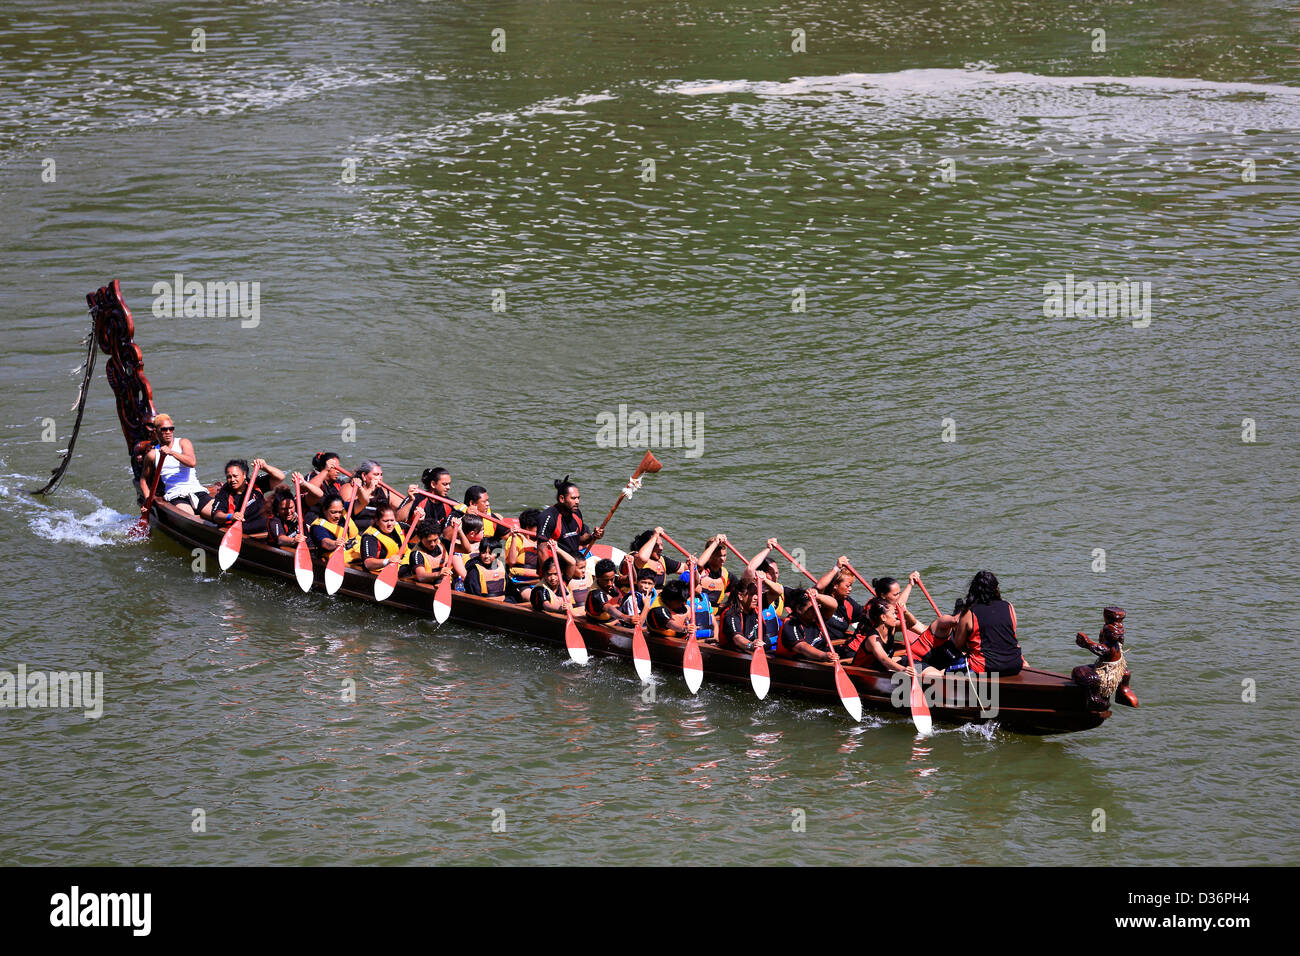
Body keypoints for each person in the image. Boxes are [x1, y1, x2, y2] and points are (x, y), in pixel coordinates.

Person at [943, 571, 1025, 677]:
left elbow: (959, 644)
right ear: (996, 588)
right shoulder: (1009, 606)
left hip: (986, 668)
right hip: (1015, 664)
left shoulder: (969, 613)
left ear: (973, 590)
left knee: (946, 670)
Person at [138, 414, 210, 514]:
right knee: (189, 517)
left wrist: (171, 452)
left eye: (171, 429)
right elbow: (143, 479)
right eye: (164, 429)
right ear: (156, 431)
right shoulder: (152, 455)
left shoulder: (183, 442)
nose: (168, 432)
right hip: (175, 495)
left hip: (196, 490)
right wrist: (148, 499)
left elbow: (192, 462)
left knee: (216, 514)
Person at [535, 476, 603, 580]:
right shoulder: (548, 517)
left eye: (578, 498)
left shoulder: (576, 513)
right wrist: (551, 576)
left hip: (572, 567)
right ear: (562, 499)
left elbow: (581, 539)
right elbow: (542, 550)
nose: (577, 502)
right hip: (555, 571)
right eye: (573, 498)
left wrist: (593, 536)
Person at [775, 589, 840, 663]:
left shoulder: (817, 617)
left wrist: (817, 596)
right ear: (799, 609)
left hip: (821, 659)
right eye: (813, 608)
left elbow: (834, 605)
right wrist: (824, 655)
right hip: (799, 663)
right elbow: (801, 647)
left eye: (818, 607)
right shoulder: (790, 624)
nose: (817, 611)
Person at [207, 459, 267, 534]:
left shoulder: (255, 484)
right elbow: (216, 516)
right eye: (229, 477)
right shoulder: (224, 493)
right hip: (244, 532)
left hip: (266, 529)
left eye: (235, 476)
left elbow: (280, 477)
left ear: (244, 475)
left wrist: (265, 467)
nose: (232, 480)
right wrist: (231, 516)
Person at [356, 505, 411, 572]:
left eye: (392, 520)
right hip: (381, 571)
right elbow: (368, 563)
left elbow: (420, 536)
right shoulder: (370, 537)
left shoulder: (399, 527)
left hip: (404, 565)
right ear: (377, 521)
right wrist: (388, 561)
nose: (390, 524)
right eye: (385, 521)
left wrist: (419, 522)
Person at [719, 572, 763, 653]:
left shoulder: (755, 610)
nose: (756, 598)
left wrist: (764, 580)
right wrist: (751, 645)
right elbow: (737, 638)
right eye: (752, 594)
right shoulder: (731, 614)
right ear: (740, 596)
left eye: (757, 594)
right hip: (734, 653)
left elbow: (776, 592)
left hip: (752, 651)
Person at [308, 493, 360, 561]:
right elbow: (325, 542)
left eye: (340, 512)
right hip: (342, 563)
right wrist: (335, 543)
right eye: (333, 512)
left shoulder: (344, 510)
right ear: (324, 510)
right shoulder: (318, 527)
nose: (337, 516)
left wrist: (360, 488)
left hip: (359, 553)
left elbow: (363, 502)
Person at [503, 509, 540, 603]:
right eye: (538, 526)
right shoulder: (516, 539)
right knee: (534, 599)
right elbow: (511, 561)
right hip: (520, 582)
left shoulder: (542, 540)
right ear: (527, 528)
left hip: (539, 581)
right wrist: (514, 537)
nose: (541, 529)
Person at [584, 558, 635, 624]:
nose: (610, 583)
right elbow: (608, 608)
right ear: (597, 577)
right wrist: (625, 618)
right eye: (606, 580)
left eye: (612, 579)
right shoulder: (595, 593)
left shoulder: (612, 578)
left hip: (616, 619)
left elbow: (632, 579)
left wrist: (631, 566)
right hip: (602, 624)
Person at [404, 519, 450, 584]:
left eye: (435, 540)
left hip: (442, 583)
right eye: (429, 541)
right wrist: (439, 574)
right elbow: (421, 576)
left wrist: (459, 531)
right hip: (425, 588)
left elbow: (467, 550)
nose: (433, 544)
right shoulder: (417, 553)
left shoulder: (442, 542)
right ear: (421, 539)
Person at [696, 534, 733, 610]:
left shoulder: (727, 575)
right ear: (710, 555)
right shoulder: (699, 570)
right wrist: (716, 542)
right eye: (719, 556)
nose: (723, 559)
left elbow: (741, 591)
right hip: (699, 610)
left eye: (724, 555)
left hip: (715, 613)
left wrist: (727, 604)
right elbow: (699, 564)